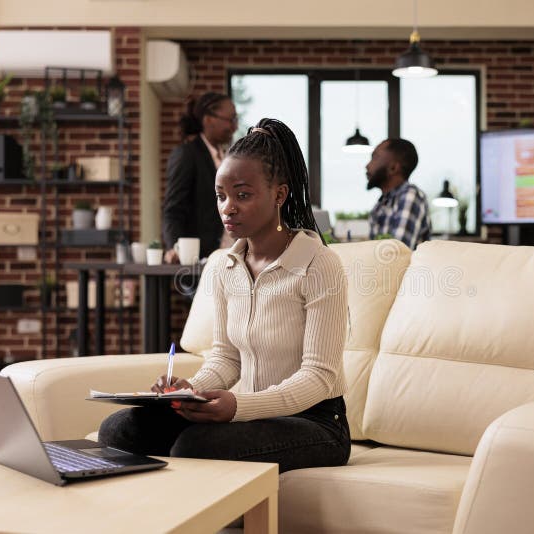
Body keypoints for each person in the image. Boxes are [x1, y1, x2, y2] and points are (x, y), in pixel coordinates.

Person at [98, 118, 351, 473]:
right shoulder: (224, 265)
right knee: (121, 429)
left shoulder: (319, 264)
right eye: (221, 196)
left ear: (279, 194)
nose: (227, 207)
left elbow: (319, 377)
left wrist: (238, 407)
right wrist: (188, 390)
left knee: (196, 446)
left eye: (243, 195)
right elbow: (226, 359)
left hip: (317, 423)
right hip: (250, 412)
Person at [162, 92, 238, 262]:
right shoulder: (187, 155)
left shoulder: (226, 157)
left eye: (236, 120)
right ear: (208, 119)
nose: (234, 127)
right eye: (230, 120)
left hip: (229, 257)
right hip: (200, 261)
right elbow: (173, 210)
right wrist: (175, 248)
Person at [366, 138, 431, 249]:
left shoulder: (410, 196)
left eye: (375, 157)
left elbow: (396, 255)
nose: (367, 165)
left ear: (393, 168)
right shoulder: (380, 205)